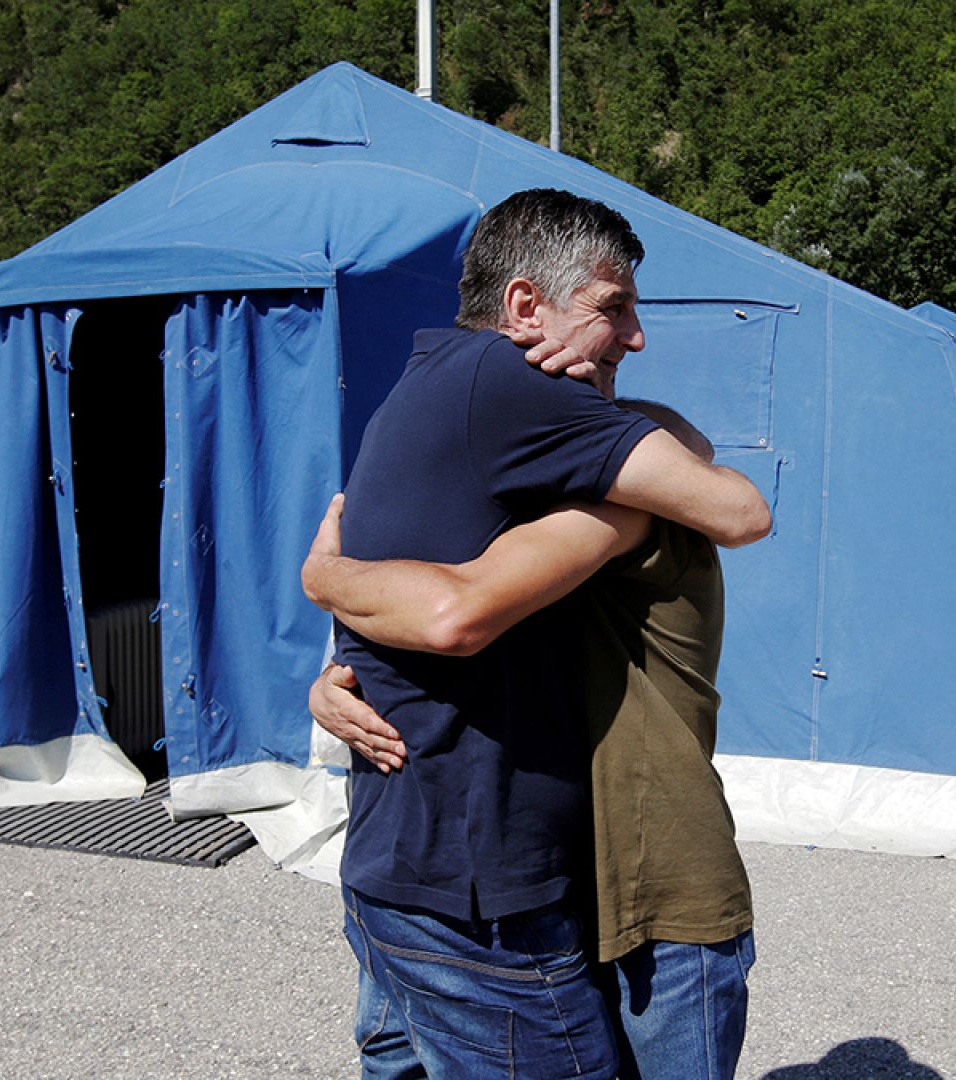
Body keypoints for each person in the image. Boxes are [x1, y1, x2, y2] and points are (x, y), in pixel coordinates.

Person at [312, 188, 767, 1079]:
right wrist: (324, 585)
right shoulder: (512, 386)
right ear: (525, 307)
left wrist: (327, 595)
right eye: (613, 308)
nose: (635, 337)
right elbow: (737, 509)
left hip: (399, 865)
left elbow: (412, 557)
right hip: (475, 892)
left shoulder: (428, 383)